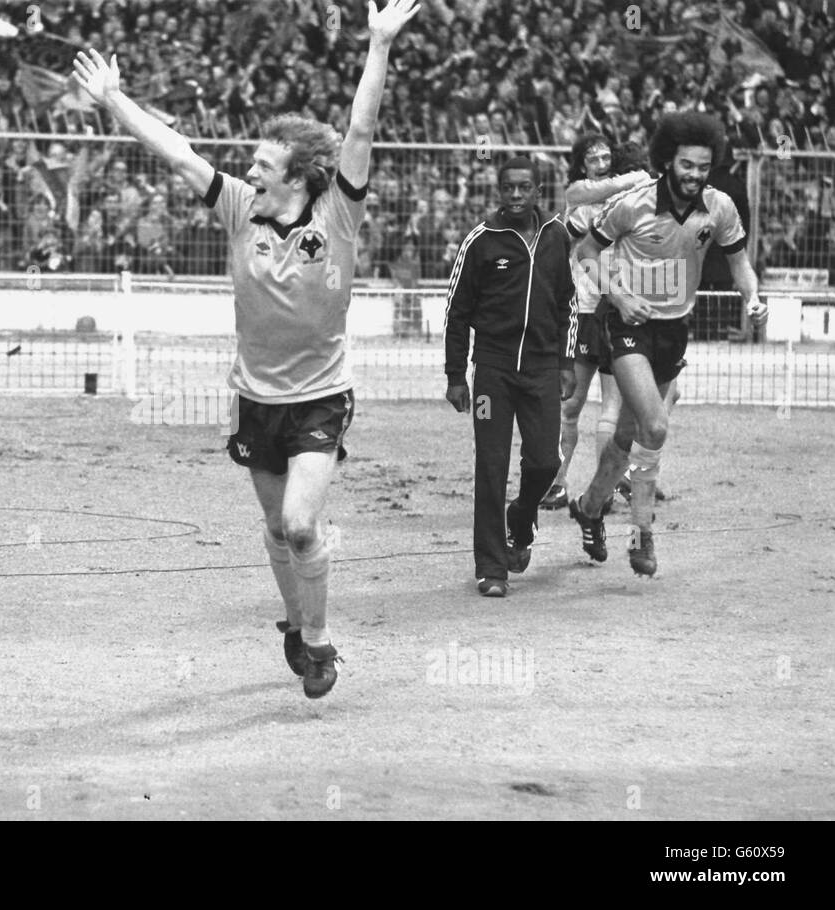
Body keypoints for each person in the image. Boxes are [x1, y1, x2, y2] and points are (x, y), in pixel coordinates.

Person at [73, 0, 423, 698]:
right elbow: (173, 151)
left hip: (320, 399)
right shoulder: (239, 209)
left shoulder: (338, 217)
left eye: (262, 166)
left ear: (296, 176)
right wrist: (113, 98)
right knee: (272, 524)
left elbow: (360, 126)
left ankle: (320, 646)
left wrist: (379, 43)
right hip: (255, 400)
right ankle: (297, 625)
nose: (249, 172)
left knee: (300, 524)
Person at [568, 112, 767, 577]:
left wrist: (754, 297)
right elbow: (586, 253)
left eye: (703, 165)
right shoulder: (632, 204)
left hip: (674, 330)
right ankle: (641, 534)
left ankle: (591, 505)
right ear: (667, 161)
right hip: (627, 324)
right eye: (686, 164)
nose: (695, 173)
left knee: (625, 436)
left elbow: (741, 264)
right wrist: (619, 294)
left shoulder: (719, 208)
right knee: (654, 428)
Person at [444, 156, 578, 597]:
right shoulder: (481, 241)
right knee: (491, 464)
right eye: (508, 189)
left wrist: (565, 362)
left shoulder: (556, 237)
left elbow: (567, 303)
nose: (516, 196)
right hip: (493, 372)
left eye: (525, 188)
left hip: (542, 369)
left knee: (546, 462)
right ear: (499, 191)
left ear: (539, 191)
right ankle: (491, 567)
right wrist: (456, 374)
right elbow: (456, 312)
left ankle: (520, 518)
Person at [540, 135, 648, 511]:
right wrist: (642, 176)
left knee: (613, 407)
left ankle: (612, 483)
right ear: (582, 163)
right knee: (571, 404)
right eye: (593, 155)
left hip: (614, 308)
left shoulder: (625, 203)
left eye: (607, 154)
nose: (601, 159)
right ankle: (556, 481)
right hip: (583, 309)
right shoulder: (581, 195)